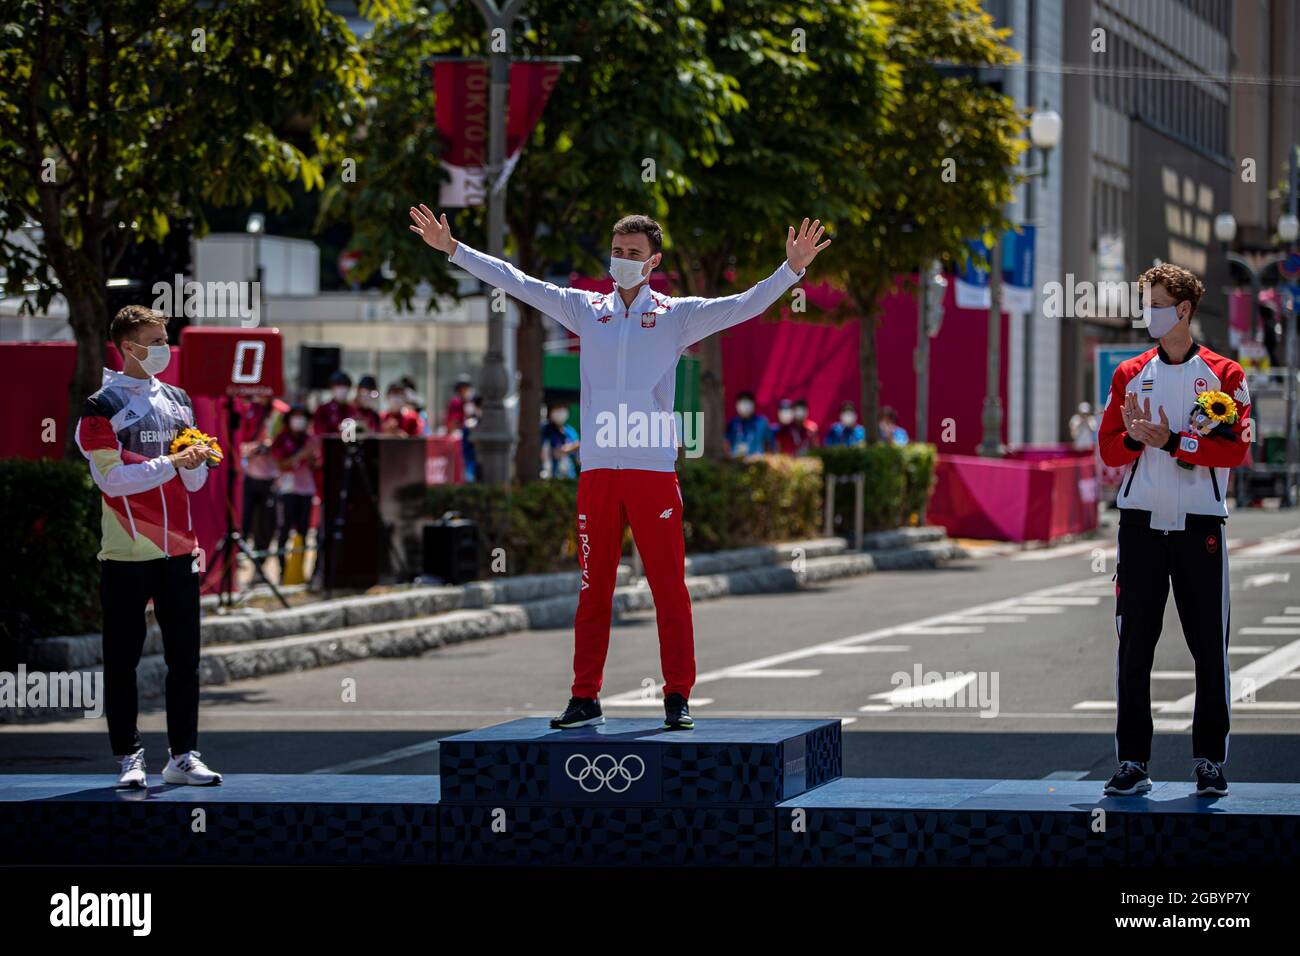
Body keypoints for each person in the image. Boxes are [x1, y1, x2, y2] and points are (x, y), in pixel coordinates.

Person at [410, 205, 828, 729]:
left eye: (633, 254)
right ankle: (585, 696)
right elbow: (517, 281)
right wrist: (454, 250)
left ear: (653, 261)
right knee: (593, 588)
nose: (622, 261)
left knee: (668, 588)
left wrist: (790, 271)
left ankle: (677, 696)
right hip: (599, 470)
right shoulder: (585, 308)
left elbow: (744, 305)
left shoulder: (678, 315)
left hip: (652, 471)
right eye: (617, 252)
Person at [1097, 263, 1251, 798]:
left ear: (1183, 309)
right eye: (1147, 302)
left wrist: (1174, 441)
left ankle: (1209, 758)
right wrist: (1138, 440)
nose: (1149, 313)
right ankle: (1133, 760)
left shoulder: (1226, 375)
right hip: (1140, 524)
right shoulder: (1130, 373)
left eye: (1157, 303)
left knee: (1208, 646)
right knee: (1134, 645)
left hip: (1201, 525)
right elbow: (1109, 448)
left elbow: (1237, 447)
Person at [75, 305, 223, 788]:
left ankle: (183, 756)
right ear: (128, 347)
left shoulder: (179, 398)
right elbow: (111, 479)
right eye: (155, 340)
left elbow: (196, 484)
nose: (163, 348)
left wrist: (196, 461)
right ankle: (128, 757)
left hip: (180, 550)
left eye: (165, 339)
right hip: (126, 551)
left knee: (185, 659)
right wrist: (174, 462)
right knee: (122, 660)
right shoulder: (101, 404)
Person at [271, 404, 317, 579]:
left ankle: (299, 571)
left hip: (306, 490)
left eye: (302, 417)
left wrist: (311, 457)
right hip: (287, 489)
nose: (299, 420)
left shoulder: (309, 439)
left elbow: (315, 465)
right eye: (295, 416)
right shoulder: (281, 438)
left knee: (303, 532)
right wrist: (300, 455)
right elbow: (280, 463)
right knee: (284, 531)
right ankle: (283, 570)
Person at [725, 391, 772, 457]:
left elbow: (770, 445)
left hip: (758, 463)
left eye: (747, 402)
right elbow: (726, 445)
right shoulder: (732, 423)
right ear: (736, 405)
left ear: (753, 404)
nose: (745, 406)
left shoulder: (762, 422)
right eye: (742, 402)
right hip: (736, 462)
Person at [541, 401, 581, 478]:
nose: (561, 412)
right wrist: (574, 446)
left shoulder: (570, 431)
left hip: (569, 476)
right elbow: (553, 453)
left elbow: (578, 459)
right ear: (551, 411)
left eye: (563, 408)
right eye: (557, 408)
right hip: (550, 475)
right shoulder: (545, 430)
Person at [312, 370, 356, 436]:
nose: (342, 391)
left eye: (345, 387)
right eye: (338, 386)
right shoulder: (322, 410)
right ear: (332, 389)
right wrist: (336, 429)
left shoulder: (352, 410)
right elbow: (318, 432)